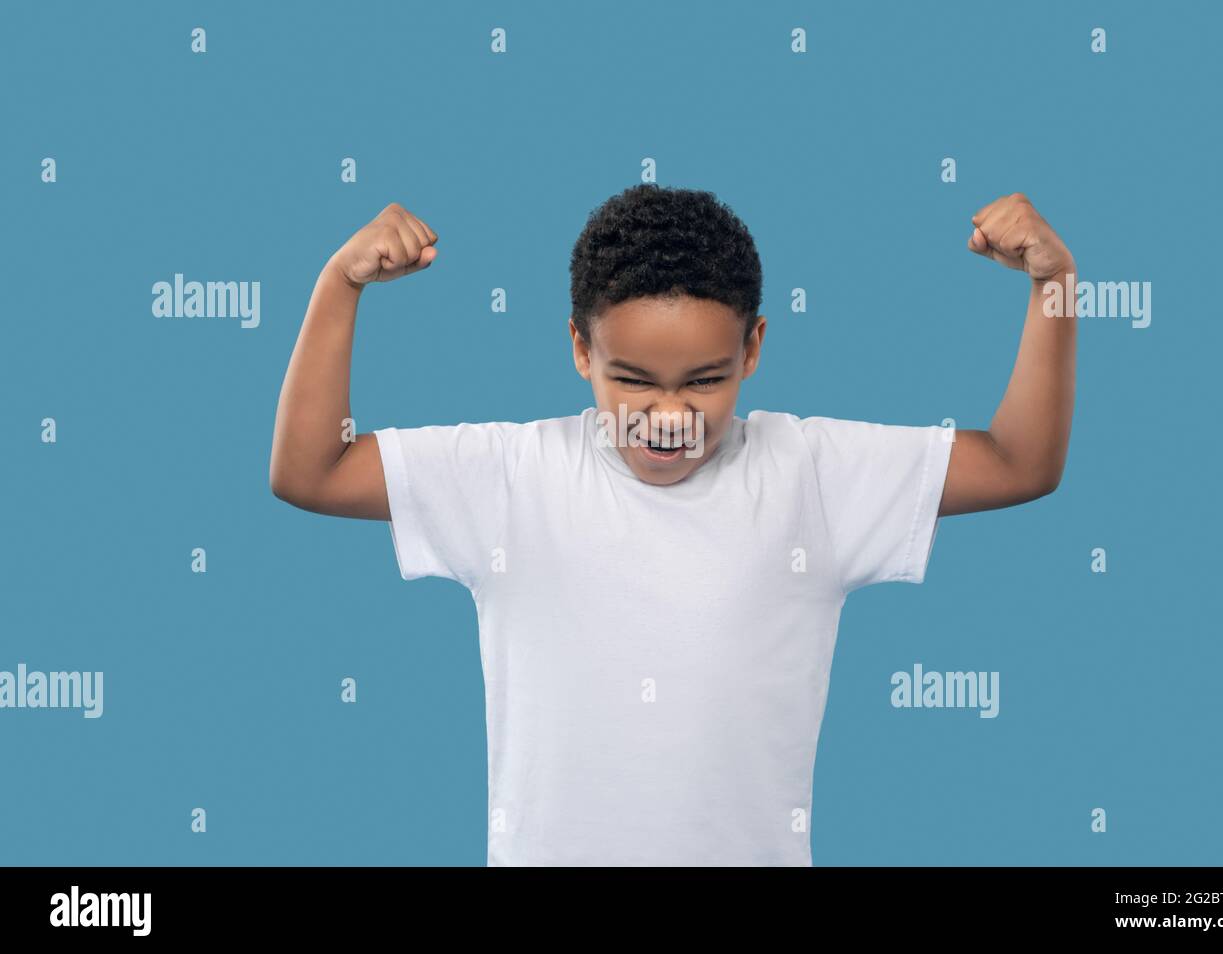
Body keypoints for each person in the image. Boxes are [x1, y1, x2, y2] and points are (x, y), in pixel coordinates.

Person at [269, 184, 1076, 865]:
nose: (668, 415)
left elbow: (1017, 461)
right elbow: (314, 471)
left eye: (704, 381)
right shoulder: (512, 476)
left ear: (753, 348)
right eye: (632, 380)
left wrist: (1055, 287)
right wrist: (340, 284)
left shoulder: (809, 473)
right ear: (580, 350)